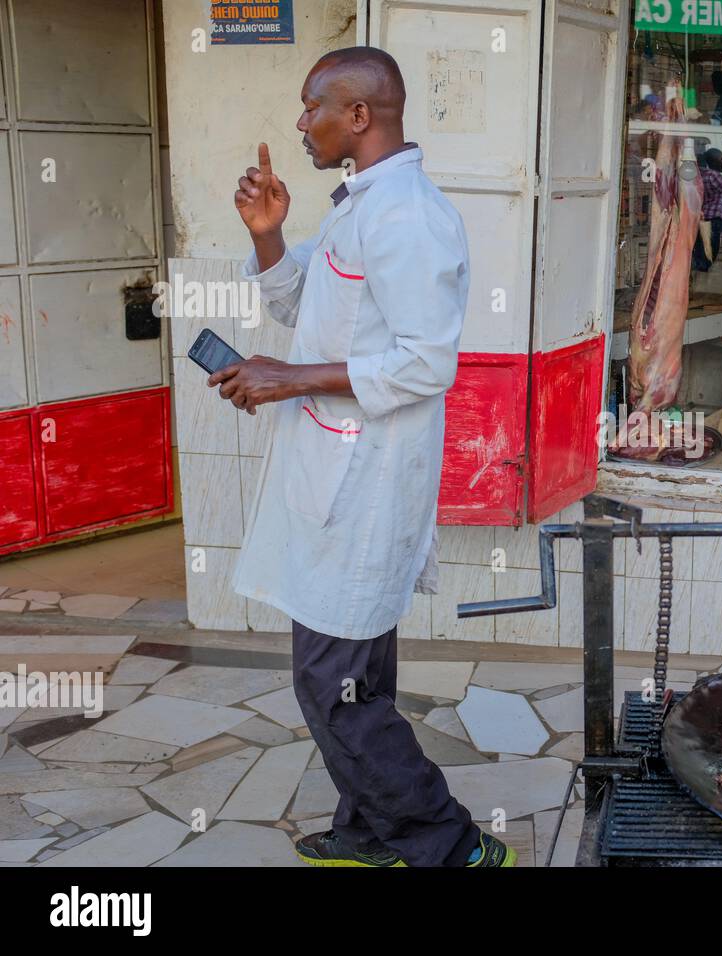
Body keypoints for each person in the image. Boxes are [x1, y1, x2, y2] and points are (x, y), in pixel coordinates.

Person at [210, 47, 514, 868]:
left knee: (331, 689)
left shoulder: (406, 214)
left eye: (313, 107)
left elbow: (426, 361)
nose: (300, 123)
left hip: (367, 486)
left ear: (359, 116)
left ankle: (449, 848)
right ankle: (367, 834)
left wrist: (286, 378)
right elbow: (308, 307)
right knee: (355, 678)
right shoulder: (359, 207)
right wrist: (270, 239)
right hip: (333, 476)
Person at [693, 148, 722, 272]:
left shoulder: (705, 175)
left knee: (704, 249)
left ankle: (700, 273)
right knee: (711, 250)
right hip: (715, 218)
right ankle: (703, 274)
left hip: (708, 216)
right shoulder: (713, 175)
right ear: (715, 161)